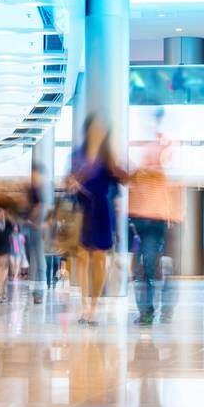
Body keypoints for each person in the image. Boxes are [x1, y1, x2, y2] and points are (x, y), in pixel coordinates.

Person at [68, 115, 126, 326]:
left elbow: (118, 185)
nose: (97, 133)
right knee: (82, 257)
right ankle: (84, 305)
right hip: (83, 209)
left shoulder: (107, 157)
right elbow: (69, 183)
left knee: (100, 259)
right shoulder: (77, 155)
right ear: (88, 130)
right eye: (95, 128)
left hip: (102, 210)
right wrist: (72, 184)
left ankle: (93, 306)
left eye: (101, 129)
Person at [128, 133, 176, 325]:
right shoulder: (143, 174)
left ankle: (147, 312)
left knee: (146, 269)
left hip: (152, 223)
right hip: (144, 224)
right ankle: (147, 311)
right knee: (142, 269)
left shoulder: (156, 174)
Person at [25, 163, 48, 304]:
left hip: (37, 227)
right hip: (32, 227)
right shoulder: (32, 190)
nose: (34, 177)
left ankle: (39, 292)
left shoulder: (42, 189)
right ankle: (37, 291)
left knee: (39, 258)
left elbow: (41, 206)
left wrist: (31, 219)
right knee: (32, 256)